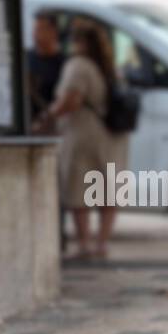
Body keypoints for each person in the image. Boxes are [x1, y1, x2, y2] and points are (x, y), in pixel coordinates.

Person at [42, 19, 129, 259]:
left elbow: (71, 100)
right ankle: (101, 243)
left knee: (80, 189)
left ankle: (84, 244)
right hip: (111, 134)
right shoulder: (109, 65)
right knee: (108, 190)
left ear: (78, 41)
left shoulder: (78, 65)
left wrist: (46, 116)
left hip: (84, 133)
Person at [26, 13, 65, 122]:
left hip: (50, 125)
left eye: (40, 29)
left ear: (53, 32)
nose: (35, 34)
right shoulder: (26, 58)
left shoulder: (64, 64)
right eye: (35, 29)